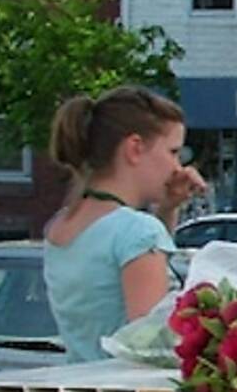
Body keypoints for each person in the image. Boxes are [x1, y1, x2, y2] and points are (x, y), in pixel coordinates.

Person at [43, 86, 205, 362]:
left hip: (80, 385)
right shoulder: (138, 231)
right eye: (173, 151)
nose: (178, 167)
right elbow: (149, 347)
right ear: (135, 148)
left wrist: (167, 209)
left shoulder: (62, 224)